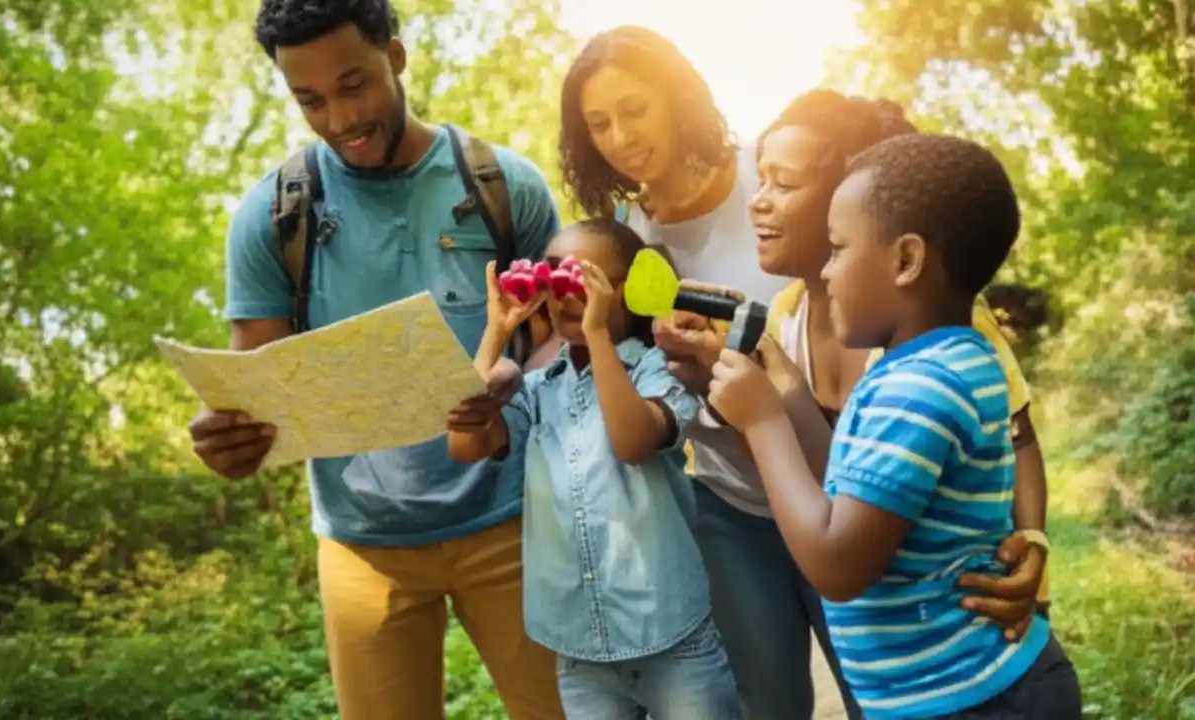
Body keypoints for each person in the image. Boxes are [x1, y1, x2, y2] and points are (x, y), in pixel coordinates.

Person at [186, 1, 565, 717]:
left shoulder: (502, 186)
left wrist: (518, 375)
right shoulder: (272, 217)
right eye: (310, 100)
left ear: (396, 56)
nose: (338, 118)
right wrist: (229, 436)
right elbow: (254, 385)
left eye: (354, 84)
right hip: (363, 550)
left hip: (515, 520)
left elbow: (557, 339)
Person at [707, 133, 1082, 719]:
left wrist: (762, 424)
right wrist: (779, 389)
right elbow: (846, 481)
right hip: (959, 691)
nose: (826, 272)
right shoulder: (953, 360)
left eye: (837, 249)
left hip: (973, 700)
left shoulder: (919, 389)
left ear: (906, 260)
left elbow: (837, 567)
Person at [558, 26, 857, 719]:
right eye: (599, 124)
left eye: (635, 109)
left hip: (840, 487)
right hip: (729, 503)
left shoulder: (771, 178)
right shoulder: (625, 241)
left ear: (678, 95)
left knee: (873, 688)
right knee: (769, 701)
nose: (622, 137)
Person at [753, 90, 1052, 626]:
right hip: (872, 590)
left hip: (950, 620)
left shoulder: (943, 328)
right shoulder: (784, 317)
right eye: (760, 178)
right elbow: (837, 470)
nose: (757, 201)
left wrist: (1032, 545)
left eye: (785, 183)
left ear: (848, 195)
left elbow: (1019, 437)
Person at [446, 218, 743, 719]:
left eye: (580, 280)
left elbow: (632, 441)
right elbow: (464, 442)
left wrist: (598, 334)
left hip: (671, 638)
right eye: (553, 281)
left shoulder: (659, 372)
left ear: (625, 290)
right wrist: (495, 333)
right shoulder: (540, 390)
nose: (565, 297)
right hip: (579, 650)